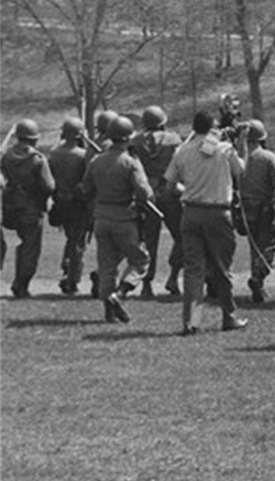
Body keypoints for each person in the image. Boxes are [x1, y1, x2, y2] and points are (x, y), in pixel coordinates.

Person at [164, 110, 247, 335]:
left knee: (194, 270)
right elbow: (241, 171)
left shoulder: (182, 151)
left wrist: (189, 190)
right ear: (212, 129)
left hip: (190, 212)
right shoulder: (223, 149)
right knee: (221, 268)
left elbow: (170, 187)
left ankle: (192, 321)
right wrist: (241, 142)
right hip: (217, 213)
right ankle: (229, 316)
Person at [79, 116, 153, 322]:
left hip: (101, 218)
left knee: (106, 266)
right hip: (124, 218)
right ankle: (119, 294)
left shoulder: (96, 160)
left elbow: (86, 188)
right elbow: (144, 193)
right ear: (128, 138)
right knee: (140, 260)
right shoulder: (130, 162)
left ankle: (109, 314)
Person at [131, 105, 183, 297]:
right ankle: (173, 276)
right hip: (170, 194)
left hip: (148, 196)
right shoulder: (173, 140)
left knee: (149, 241)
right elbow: (180, 164)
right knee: (182, 236)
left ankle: (147, 285)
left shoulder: (135, 142)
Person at [1, 120, 56, 297]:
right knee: (30, 247)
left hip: (10, 207)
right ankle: (21, 285)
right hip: (31, 208)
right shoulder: (37, 159)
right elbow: (48, 186)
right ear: (34, 139)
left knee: (24, 245)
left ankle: (18, 283)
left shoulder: (6, 156)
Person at [239, 120, 275, 304]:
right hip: (264, 206)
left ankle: (258, 285)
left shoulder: (238, 157)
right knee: (270, 245)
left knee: (254, 246)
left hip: (244, 208)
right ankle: (258, 276)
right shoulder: (268, 157)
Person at [47, 118, 91, 296]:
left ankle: (68, 267)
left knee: (71, 238)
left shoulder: (54, 153)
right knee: (77, 241)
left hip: (60, 201)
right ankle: (72, 278)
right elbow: (87, 181)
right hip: (78, 204)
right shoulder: (82, 155)